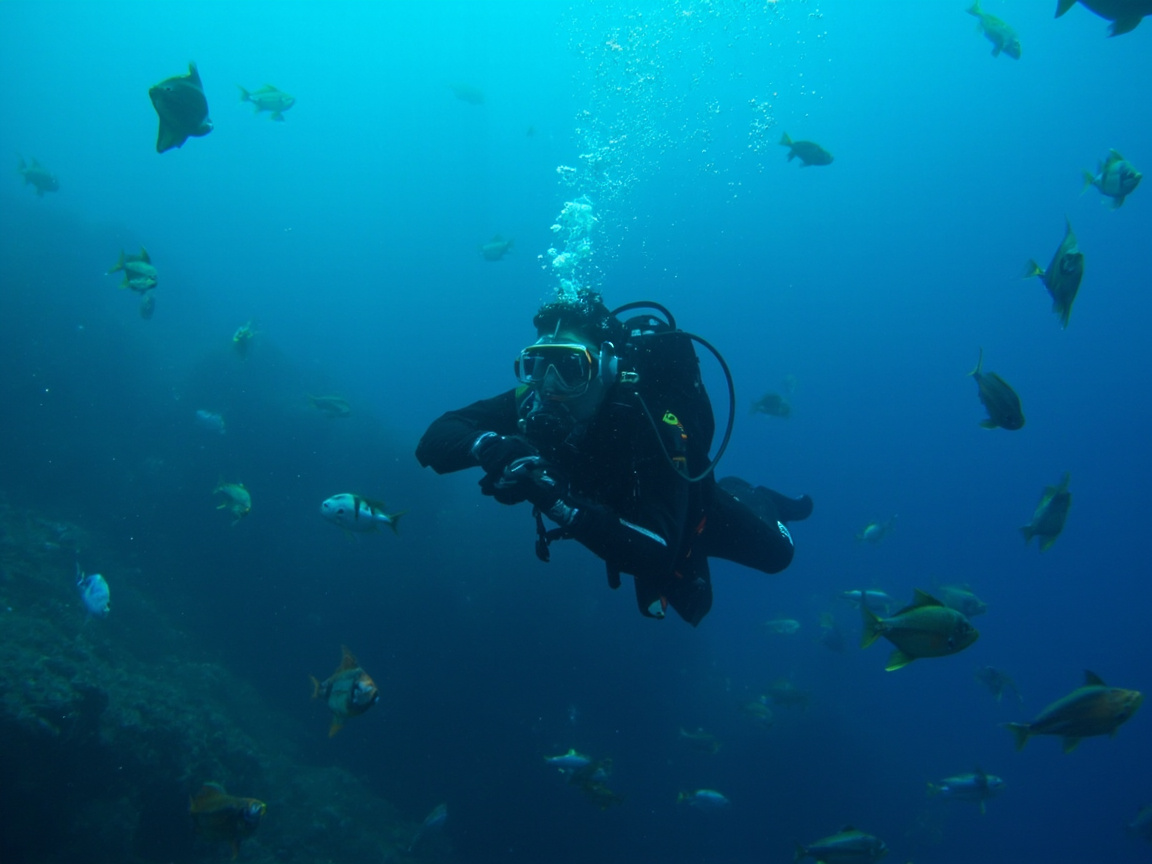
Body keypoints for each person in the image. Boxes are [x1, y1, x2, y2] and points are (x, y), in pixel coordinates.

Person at [415, 292, 812, 626]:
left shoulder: (648, 419)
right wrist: (488, 446)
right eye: (537, 364)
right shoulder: (533, 398)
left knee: (778, 555)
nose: (549, 385)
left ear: (605, 366)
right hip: (618, 521)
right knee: (671, 596)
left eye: (570, 366)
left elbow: (659, 551)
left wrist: (554, 498)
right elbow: (436, 437)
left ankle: (750, 494)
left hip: (683, 510)